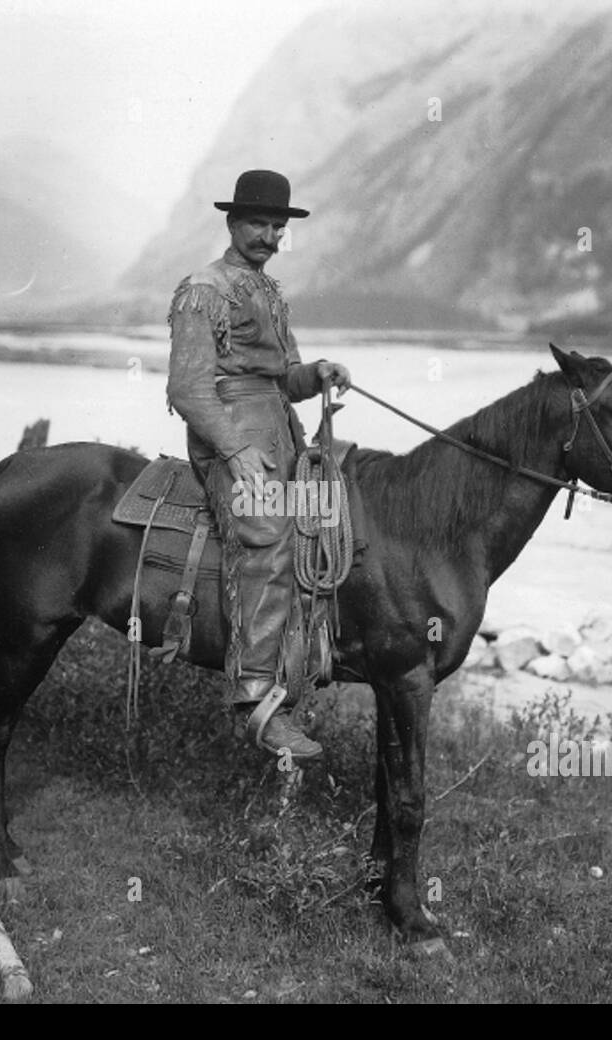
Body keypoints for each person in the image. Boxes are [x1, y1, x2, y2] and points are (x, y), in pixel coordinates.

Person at [167, 169, 350, 761]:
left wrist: (315, 373)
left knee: (323, 524)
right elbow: (189, 391)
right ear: (232, 222)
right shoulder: (203, 289)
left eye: (277, 226)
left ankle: (300, 672)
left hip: (279, 432)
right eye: (258, 224)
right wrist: (234, 450)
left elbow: (282, 380)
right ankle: (254, 702)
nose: (269, 236)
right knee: (268, 536)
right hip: (229, 436)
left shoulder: (270, 292)